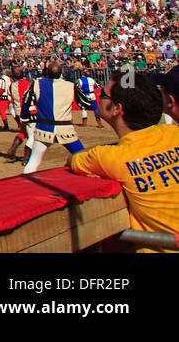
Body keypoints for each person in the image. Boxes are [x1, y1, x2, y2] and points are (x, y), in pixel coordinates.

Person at [67, 71, 179, 252]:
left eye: (103, 95)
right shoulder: (174, 133)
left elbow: (73, 159)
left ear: (116, 108)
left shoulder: (109, 157)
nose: (99, 97)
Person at [20, 61, 92, 174]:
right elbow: (85, 103)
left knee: (34, 161)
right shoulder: (71, 86)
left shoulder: (37, 84)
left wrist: (24, 118)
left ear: (47, 72)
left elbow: (25, 102)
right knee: (83, 158)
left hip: (44, 128)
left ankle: (24, 186)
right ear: (61, 73)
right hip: (66, 129)